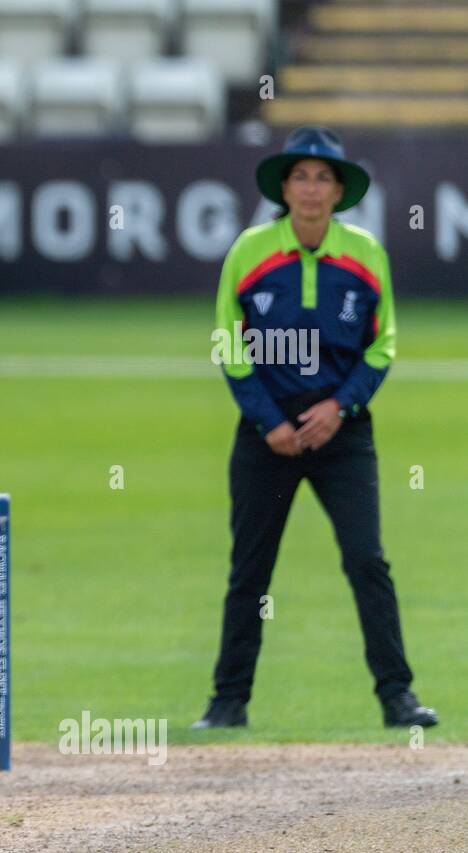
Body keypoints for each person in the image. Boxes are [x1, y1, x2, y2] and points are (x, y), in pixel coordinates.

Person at [194, 126, 435, 731]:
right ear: (284, 186)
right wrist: (267, 419)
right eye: (300, 176)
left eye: (322, 177)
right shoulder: (251, 249)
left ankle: (397, 697)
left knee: (366, 561)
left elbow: (382, 345)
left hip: (342, 435)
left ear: (338, 190)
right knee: (251, 570)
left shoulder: (365, 253)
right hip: (265, 436)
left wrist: (340, 408)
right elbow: (228, 340)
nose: (310, 188)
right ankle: (228, 705)